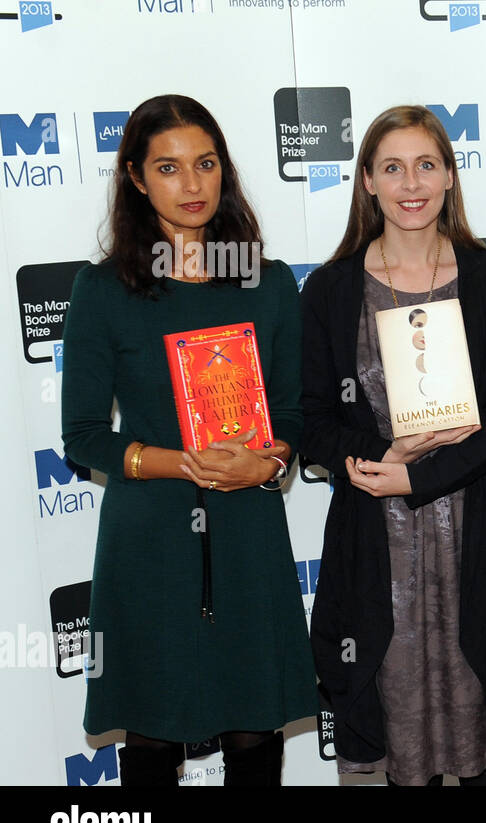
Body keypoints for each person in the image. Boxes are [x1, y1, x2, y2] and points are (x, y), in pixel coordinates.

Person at [300, 105, 486, 787]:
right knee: (397, 736)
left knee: (485, 731)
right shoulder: (331, 289)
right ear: (367, 180)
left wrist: (416, 479)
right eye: (392, 167)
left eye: (427, 164)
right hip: (376, 539)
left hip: (481, 534)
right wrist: (383, 458)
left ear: (451, 175)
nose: (411, 183)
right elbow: (311, 419)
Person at [61, 94, 316, 786]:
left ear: (224, 171)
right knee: (150, 742)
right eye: (169, 168)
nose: (193, 183)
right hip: (149, 541)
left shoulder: (267, 284)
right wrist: (184, 463)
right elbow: (83, 437)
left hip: (248, 530)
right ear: (137, 180)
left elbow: (291, 415)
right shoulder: (101, 290)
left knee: (255, 736)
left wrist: (268, 460)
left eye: (205, 163)